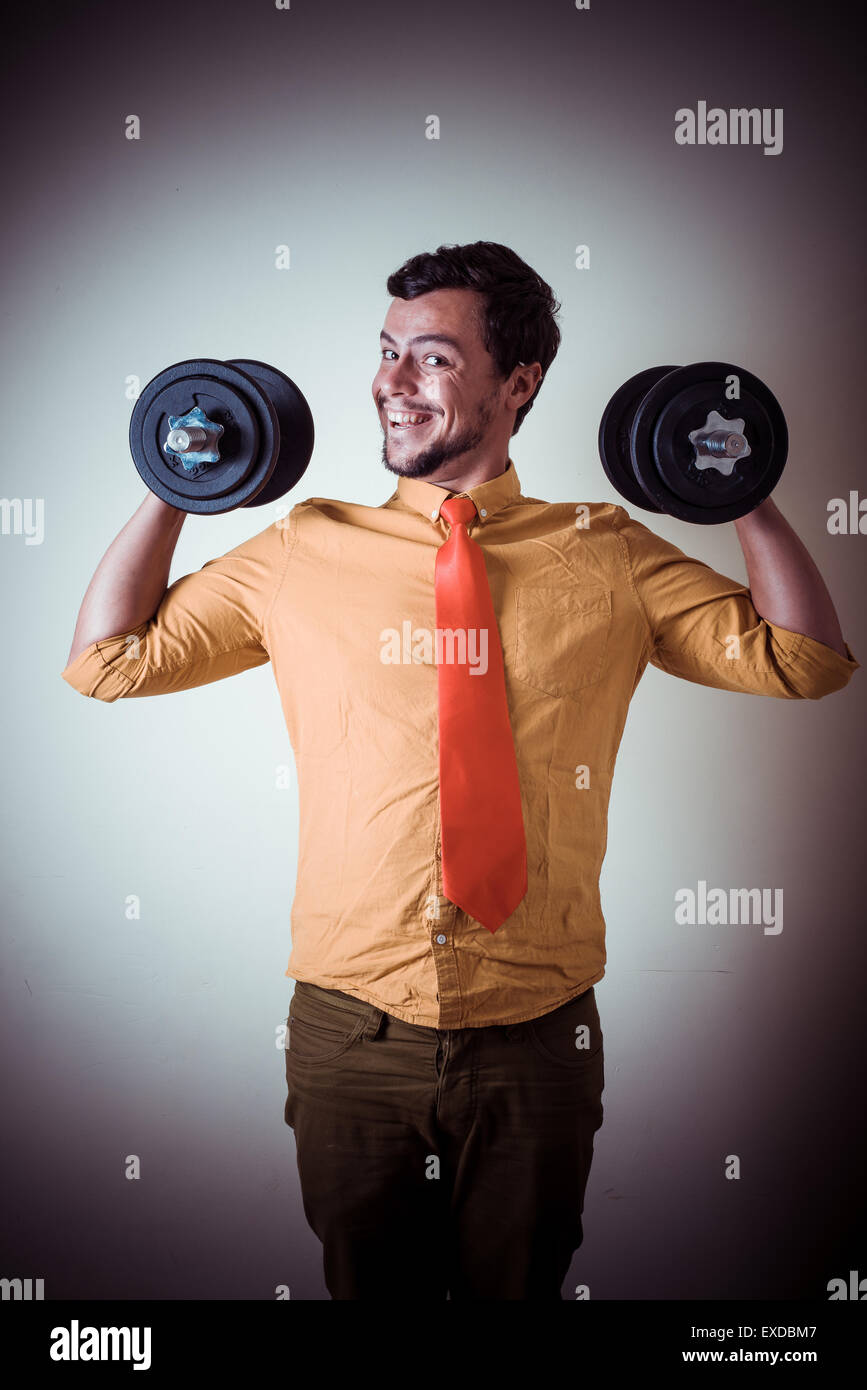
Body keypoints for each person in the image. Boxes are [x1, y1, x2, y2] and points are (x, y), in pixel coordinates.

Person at [61, 241, 860, 1301]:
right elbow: (107, 663)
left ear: (517, 384)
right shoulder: (305, 548)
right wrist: (174, 484)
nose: (390, 384)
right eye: (386, 353)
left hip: (538, 1029)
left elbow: (803, 661)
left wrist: (742, 489)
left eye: (430, 359)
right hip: (350, 1027)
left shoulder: (605, 551)